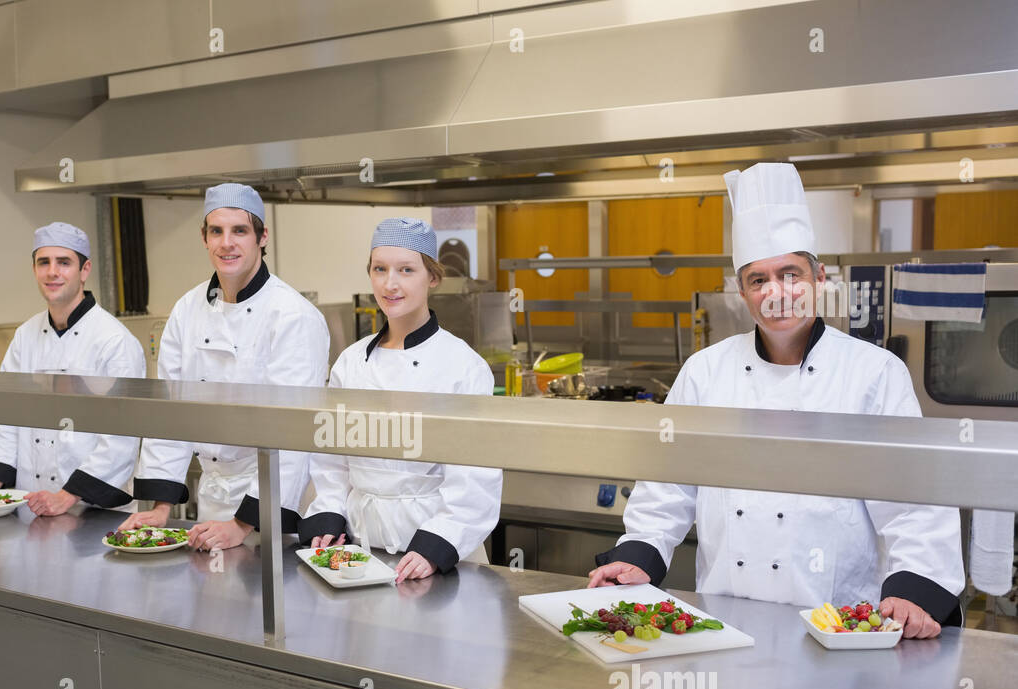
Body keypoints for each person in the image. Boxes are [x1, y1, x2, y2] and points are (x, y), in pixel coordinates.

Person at [588, 163, 964, 638]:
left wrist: (915, 589)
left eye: (790, 274)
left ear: (820, 277)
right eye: (759, 280)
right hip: (725, 618)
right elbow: (668, 485)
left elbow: (913, 494)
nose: (776, 293)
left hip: (840, 626)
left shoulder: (874, 373)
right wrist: (636, 556)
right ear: (742, 291)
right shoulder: (705, 371)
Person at [119, 184, 329, 551]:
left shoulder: (293, 316)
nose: (226, 243)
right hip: (214, 501)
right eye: (216, 231)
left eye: (240, 231)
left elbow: (291, 431)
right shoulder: (187, 309)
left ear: (263, 237)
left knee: (264, 599)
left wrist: (243, 524)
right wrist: (161, 507)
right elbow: (171, 411)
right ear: (204, 238)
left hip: (274, 507)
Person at [298, 218, 502, 583]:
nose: (390, 284)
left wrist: (435, 546)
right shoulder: (351, 361)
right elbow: (331, 460)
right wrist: (328, 513)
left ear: (432, 278)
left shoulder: (464, 367)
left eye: (406, 270)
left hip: (441, 553)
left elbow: (476, 479)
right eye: (380, 269)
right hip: (362, 548)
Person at [0, 222, 145, 516]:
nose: (52, 272)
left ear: (84, 270)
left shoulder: (114, 341)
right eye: (43, 262)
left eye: (64, 263)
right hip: (30, 506)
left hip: (93, 512)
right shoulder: (25, 336)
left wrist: (67, 496)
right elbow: (7, 413)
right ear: (34, 269)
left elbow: (121, 437)